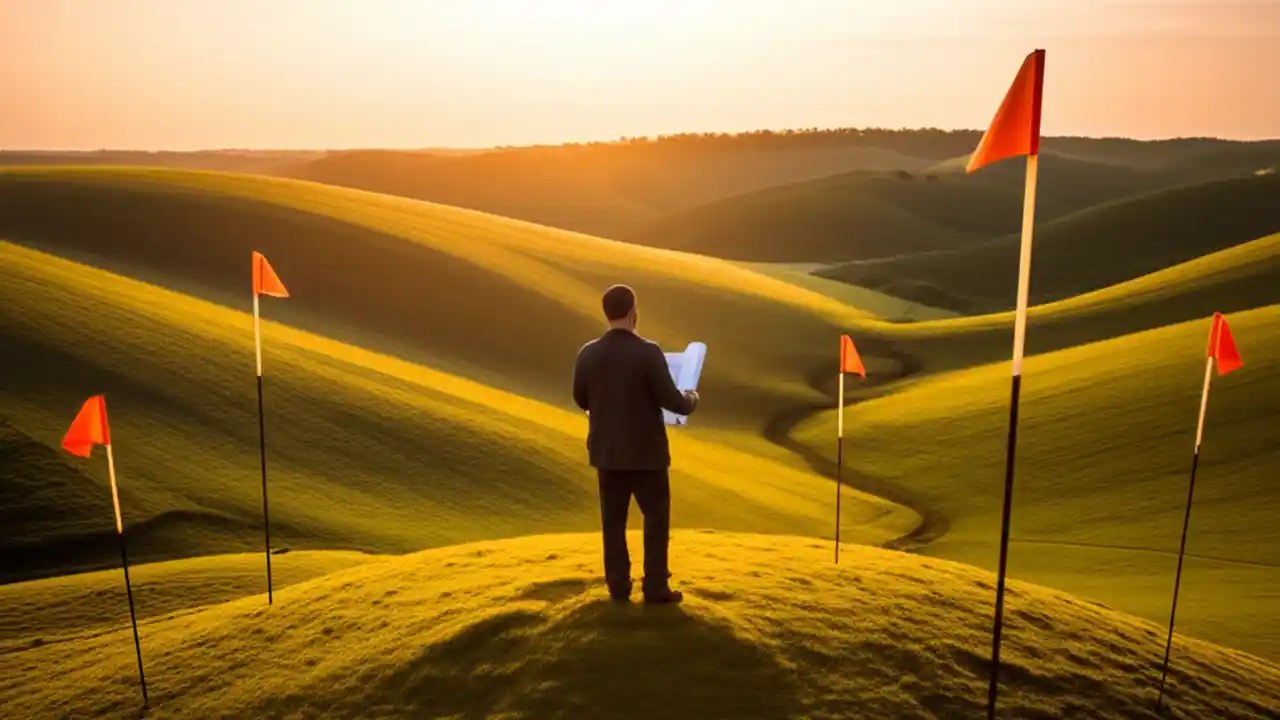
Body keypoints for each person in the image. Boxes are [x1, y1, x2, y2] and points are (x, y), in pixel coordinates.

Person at [573, 284, 698, 604]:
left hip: (607, 453)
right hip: (647, 455)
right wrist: (691, 398)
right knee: (655, 519)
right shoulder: (648, 352)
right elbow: (673, 401)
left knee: (612, 523)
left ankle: (618, 586)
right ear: (633, 312)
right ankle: (655, 586)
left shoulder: (588, 353)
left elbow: (580, 397)